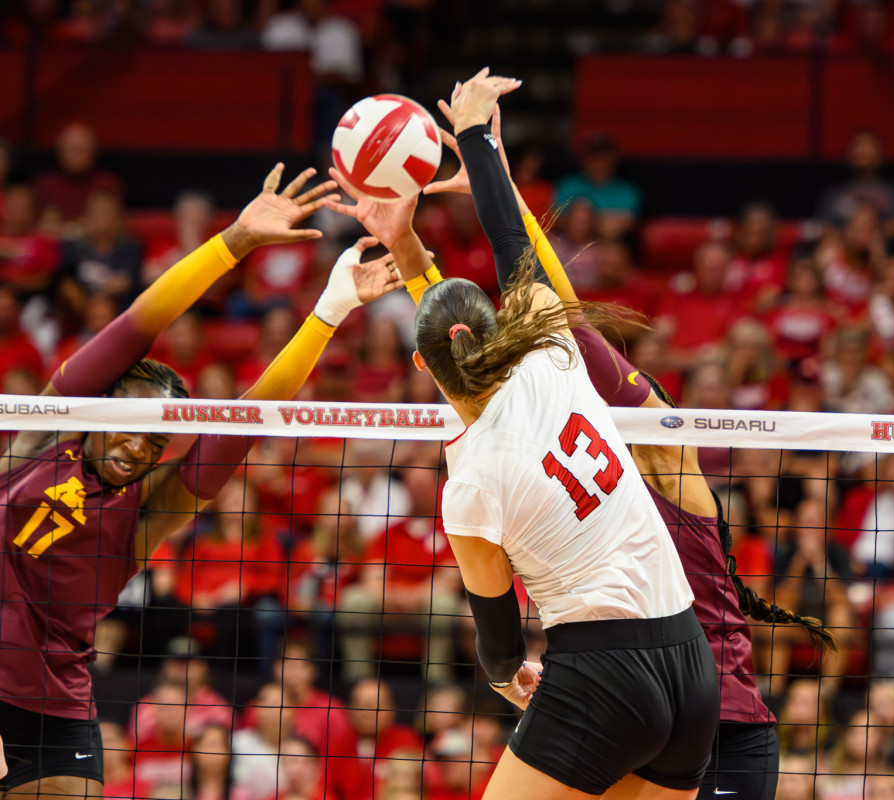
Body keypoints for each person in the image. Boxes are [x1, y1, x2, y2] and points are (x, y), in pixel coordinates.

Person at [376, 86, 835, 800]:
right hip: (689, 678)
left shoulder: (501, 466)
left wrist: (460, 184)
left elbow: (482, 337)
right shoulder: (555, 368)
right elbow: (519, 272)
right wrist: (477, 151)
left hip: (676, 703)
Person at [328, 68, 720, 799]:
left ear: (419, 365)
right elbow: (512, 238)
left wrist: (508, 676)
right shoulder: (552, 351)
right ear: (500, 326)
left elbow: (499, 635)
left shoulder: (471, 484)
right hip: (689, 664)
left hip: (603, 676)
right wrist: (474, 131)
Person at [0, 164, 402, 800]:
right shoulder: (45, 434)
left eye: (153, 440)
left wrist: (329, 309)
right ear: (99, 409)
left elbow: (252, 417)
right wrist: (236, 240)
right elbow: (140, 320)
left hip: (58, 702)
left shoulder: (147, 510)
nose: (137, 446)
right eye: (128, 425)